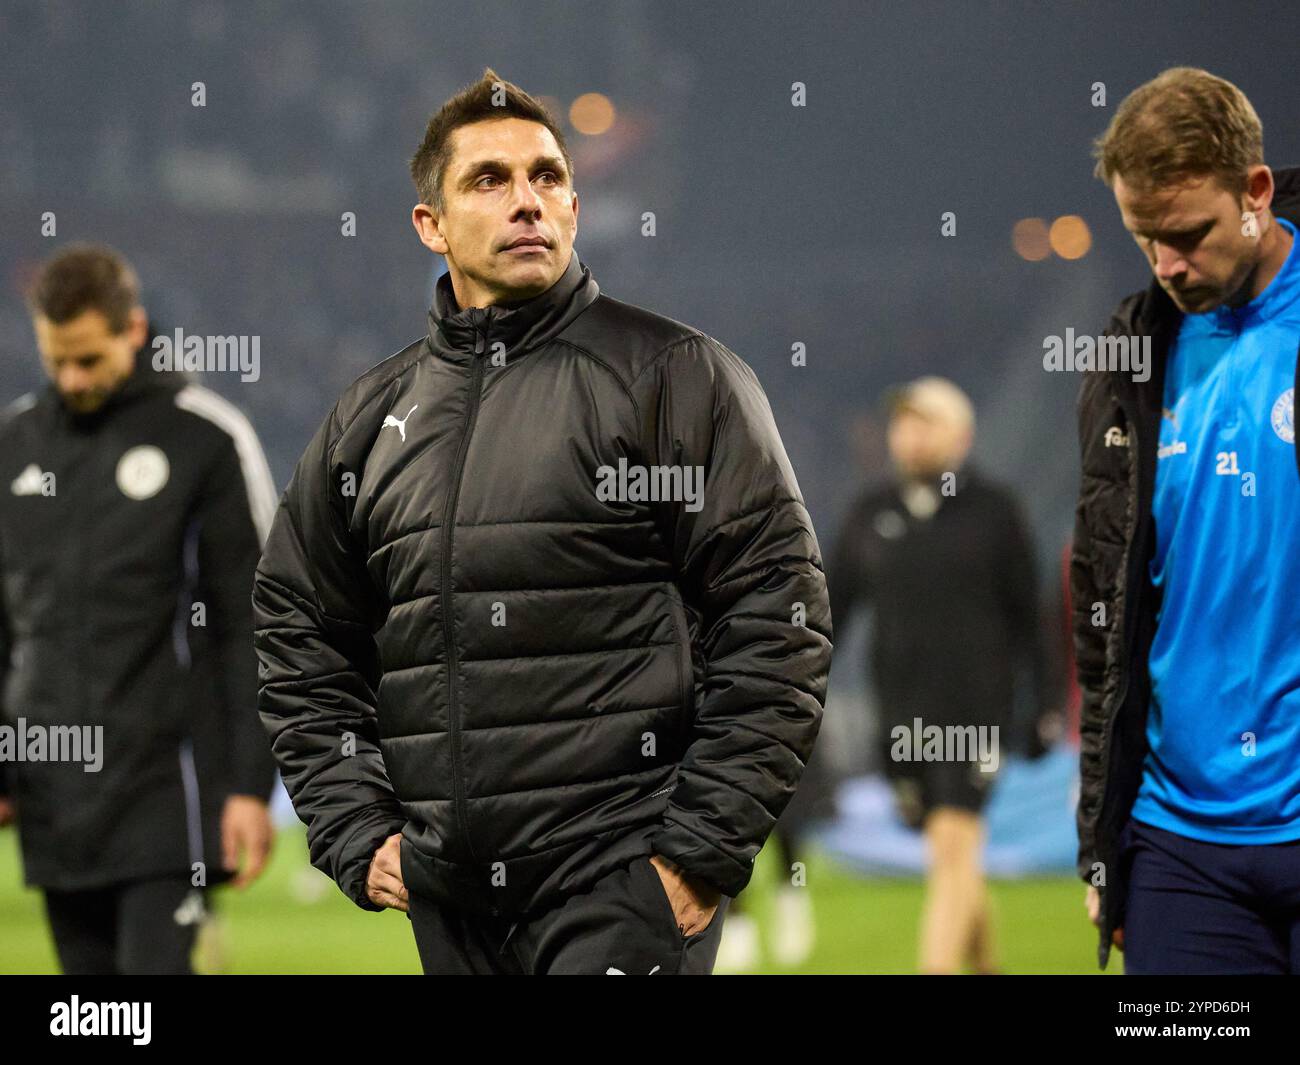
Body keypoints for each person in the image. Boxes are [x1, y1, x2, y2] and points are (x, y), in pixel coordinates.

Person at [252, 69, 832, 976]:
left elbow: (777, 616)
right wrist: (354, 824)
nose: (528, 201)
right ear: (430, 226)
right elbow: (298, 631)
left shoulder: (676, 377)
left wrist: (696, 854)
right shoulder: (367, 419)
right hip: (451, 904)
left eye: (548, 176)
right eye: (489, 179)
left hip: (619, 880)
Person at [1075, 67, 1300, 974]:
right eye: (1145, 240)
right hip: (1179, 852)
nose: (1167, 264)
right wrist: (1102, 830)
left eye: (1188, 235)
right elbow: (1107, 624)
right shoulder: (1129, 368)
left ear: (1256, 193)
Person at [0, 244, 278, 974]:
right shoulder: (15, 444)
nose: (72, 379)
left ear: (133, 330)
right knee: (94, 1018)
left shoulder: (206, 438)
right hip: (54, 796)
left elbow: (251, 622)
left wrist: (251, 784)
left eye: (88, 360)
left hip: (169, 787)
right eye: (57, 360)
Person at [829, 377, 1048, 974]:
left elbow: (1031, 616)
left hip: (976, 713)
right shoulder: (870, 512)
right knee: (952, 857)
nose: (912, 434)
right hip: (900, 717)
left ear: (962, 434)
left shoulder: (994, 511)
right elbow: (830, 610)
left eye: (927, 422)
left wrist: (1046, 704)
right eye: (904, 422)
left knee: (954, 841)